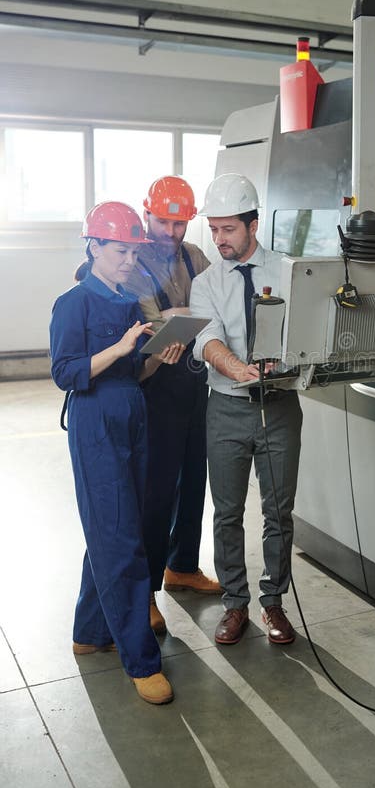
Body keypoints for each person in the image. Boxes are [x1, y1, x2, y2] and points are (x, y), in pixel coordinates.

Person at [49, 201, 185, 705]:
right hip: (95, 423)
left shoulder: (129, 303)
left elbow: (135, 373)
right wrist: (122, 348)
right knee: (121, 539)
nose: (130, 260)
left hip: (132, 415)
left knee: (116, 525)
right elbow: (66, 373)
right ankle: (141, 660)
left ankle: (89, 632)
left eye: (134, 251)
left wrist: (157, 356)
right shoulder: (73, 303)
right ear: (94, 246)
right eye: (121, 250)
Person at [189, 173, 303, 646]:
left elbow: (307, 326)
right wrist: (237, 369)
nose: (219, 240)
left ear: (253, 225)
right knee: (227, 512)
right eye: (213, 230)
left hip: (278, 408)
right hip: (227, 409)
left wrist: (289, 357)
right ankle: (235, 605)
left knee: (279, 513)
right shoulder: (206, 283)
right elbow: (206, 337)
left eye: (228, 230)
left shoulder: (292, 272)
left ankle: (273, 602)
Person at [125, 176, 220, 636]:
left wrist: (183, 320)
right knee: (156, 491)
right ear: (148, 216)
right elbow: (146, 324)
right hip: (155, 387)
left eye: (180, 223)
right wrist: (179, 318)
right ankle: (143, 592)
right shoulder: (132, 260)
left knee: (193, 479)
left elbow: (214, 301)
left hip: (194, 383)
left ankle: (182, 565)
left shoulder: (194, 256)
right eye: (163, 221)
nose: (171, 231)